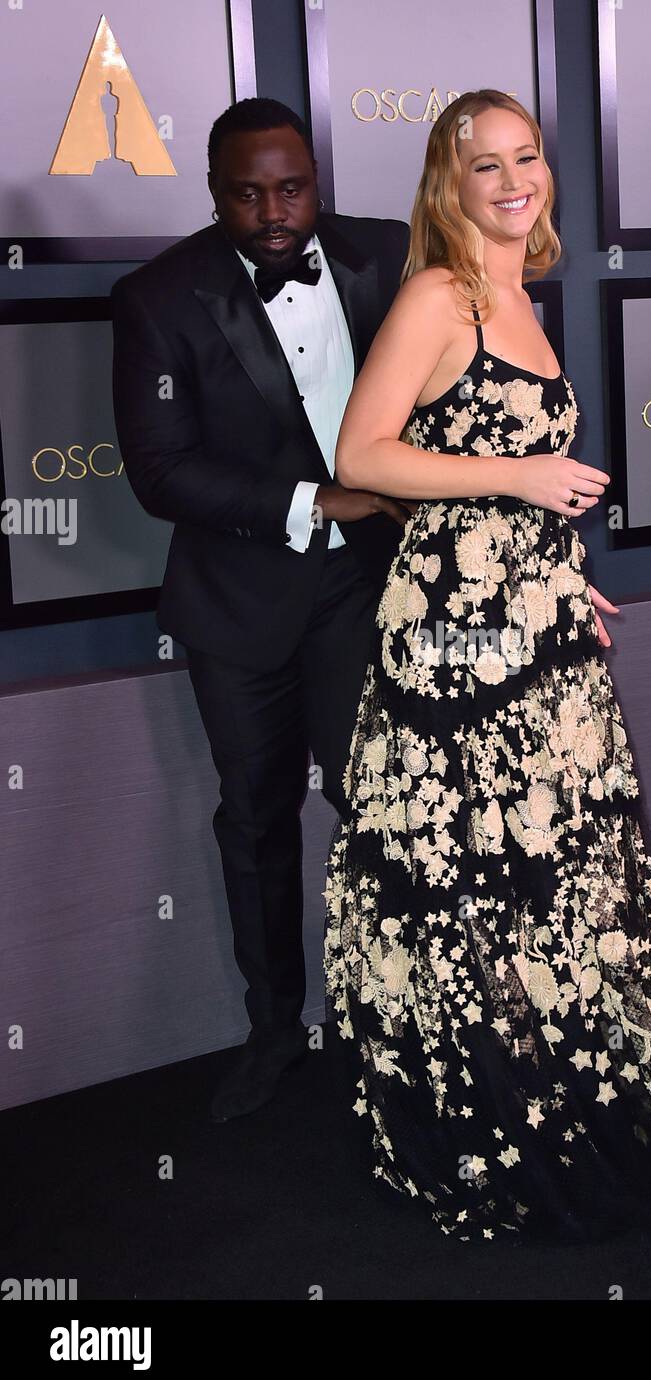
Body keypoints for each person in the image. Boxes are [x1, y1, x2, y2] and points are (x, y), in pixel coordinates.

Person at [322, 90, 651, 1243]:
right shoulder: (439, 294)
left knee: (552, 864)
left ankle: (560, 1100)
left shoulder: (523, 293)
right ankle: (483, 1122)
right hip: (450, 640)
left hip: (531, 622)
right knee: (471, 875)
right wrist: (521, 483)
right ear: (449, 185)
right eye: (482, 165)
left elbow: (505, 472)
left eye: (526, 157)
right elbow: (366, 454)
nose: (510, 181)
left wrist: (554, 572)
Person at [111, 98, 412, 1123]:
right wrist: (311, 499)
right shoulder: (157, 297)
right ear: (212, 190)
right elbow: (160, 471)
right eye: (248, 193)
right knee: (256, 822)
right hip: (237, 603)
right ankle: (275, 1031)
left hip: (364, 588)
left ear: (317, 181)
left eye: (292, 188)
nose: (273, 211)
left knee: (377, 811)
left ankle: (393, 1021)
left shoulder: (387, 255)